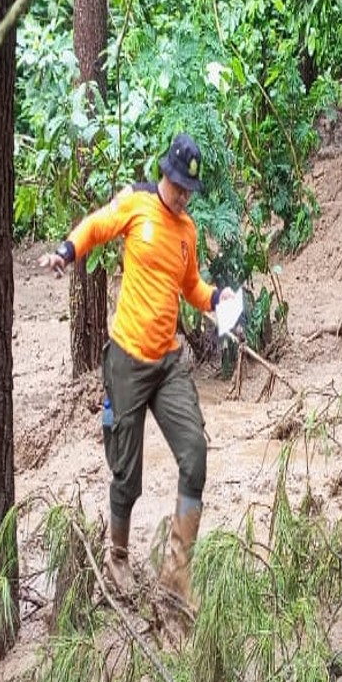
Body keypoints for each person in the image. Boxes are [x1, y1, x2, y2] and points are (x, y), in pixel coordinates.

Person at [39, 132, 236, 625]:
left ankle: (176, 576)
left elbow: (189, 285)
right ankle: (117, 556)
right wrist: (67, 251)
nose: (182, 194)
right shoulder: (138, 204)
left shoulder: (187, 232)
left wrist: (217, 302)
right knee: (126, 471)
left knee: (194, 455)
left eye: (189, 188)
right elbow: (97, 226)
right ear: (164, 174)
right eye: (177, 185)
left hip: (169, 364)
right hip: (127, 359)